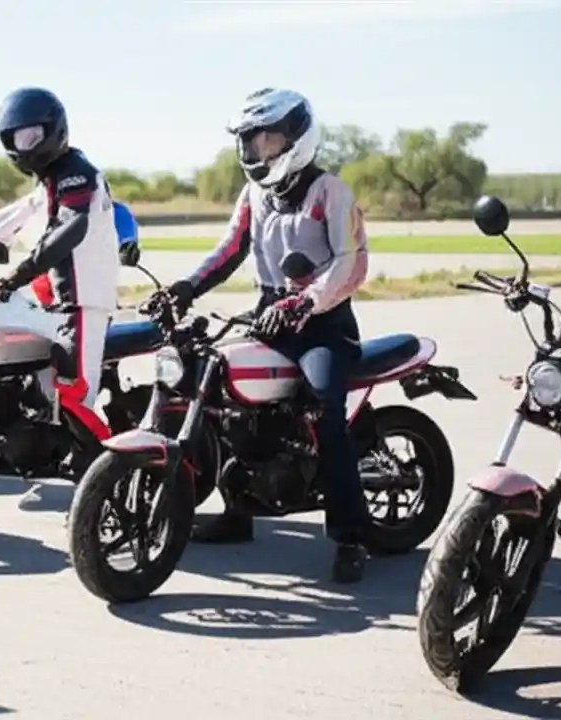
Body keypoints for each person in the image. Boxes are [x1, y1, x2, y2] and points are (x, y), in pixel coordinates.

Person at [160, 88, 372, 583]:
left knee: (325, 409)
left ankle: (351, 536)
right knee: (225, 394)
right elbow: (230, 248)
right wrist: (186, 287)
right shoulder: (256, 194)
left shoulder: (331, 193)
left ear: (296, 138)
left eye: (267, 139)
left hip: (323, 324)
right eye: (250, 142)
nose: (256, 151)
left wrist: (304, 301)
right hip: (269, 314)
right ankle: (240, 512)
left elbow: (351, 263)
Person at [0, 87, 120, 411]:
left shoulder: (77, 174)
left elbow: (68, 231)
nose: (22, 148)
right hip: (53, 305)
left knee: (74, 397)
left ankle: (92, 461)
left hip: (82, 304)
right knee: (44, 398)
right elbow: (11, 216)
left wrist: (14, 277)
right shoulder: (49, 181)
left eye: (30, 137)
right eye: (14, 140)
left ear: (53, 131)